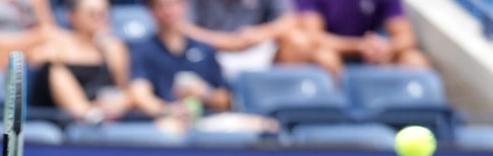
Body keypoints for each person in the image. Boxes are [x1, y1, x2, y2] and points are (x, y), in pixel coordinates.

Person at [129, 0, 233, 132]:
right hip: (165, 121)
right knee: (169, 129)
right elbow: (140, 96)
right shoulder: (143, 51)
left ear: (184, 6)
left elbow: (226, 99)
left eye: (173, 5)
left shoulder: (203, 48)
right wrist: (169, 110)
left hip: (206, 120)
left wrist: (205, 93)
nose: (168, 11)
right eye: (161, 6)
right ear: (151, 11)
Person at [32, 0, 135, 124]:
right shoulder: (56, 44)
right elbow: (35, 58)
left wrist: (118, 103)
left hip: (105, 111)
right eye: (92, 13)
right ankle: (88, 114)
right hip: (64, 116)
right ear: (72, 16)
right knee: (55, 69)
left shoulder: (113, 48)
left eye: (102, 13)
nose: (98, 18)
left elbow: (122, 87)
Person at [293, 0, 430, 76]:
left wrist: (385, 47)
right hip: (331, 52)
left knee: (415, 60)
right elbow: (313, 37)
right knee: (326, 57)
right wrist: (359, 46)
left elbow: (407, 37)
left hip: (369, 54)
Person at [185, 0, 310, 79]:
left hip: (257, 51)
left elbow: (290, 19)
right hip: (211, 53)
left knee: (298, 40)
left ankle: (286, 106)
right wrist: (226, 41)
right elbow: (182, 26)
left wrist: (261, 33)